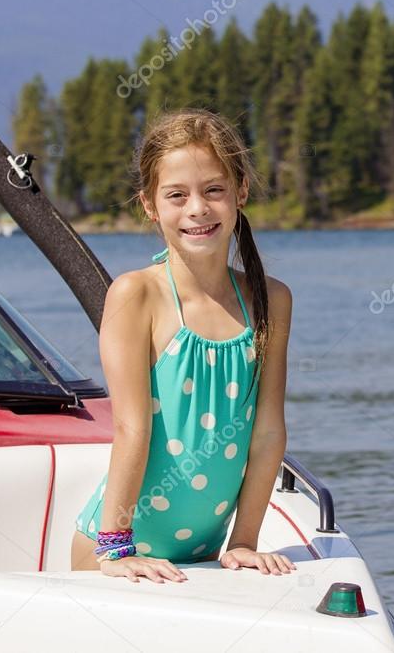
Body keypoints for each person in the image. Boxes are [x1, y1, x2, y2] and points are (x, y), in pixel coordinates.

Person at [70, 108, 295, 583]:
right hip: (112, 548)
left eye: (214, 190)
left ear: (241, 192)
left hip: (200, 557)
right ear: (150, 205)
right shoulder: (137, 296)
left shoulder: (270, 299)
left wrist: (244, 543)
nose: (197, 208)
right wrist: (115, 549)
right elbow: (132, 430)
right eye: (177, 195)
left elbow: (269, 430)